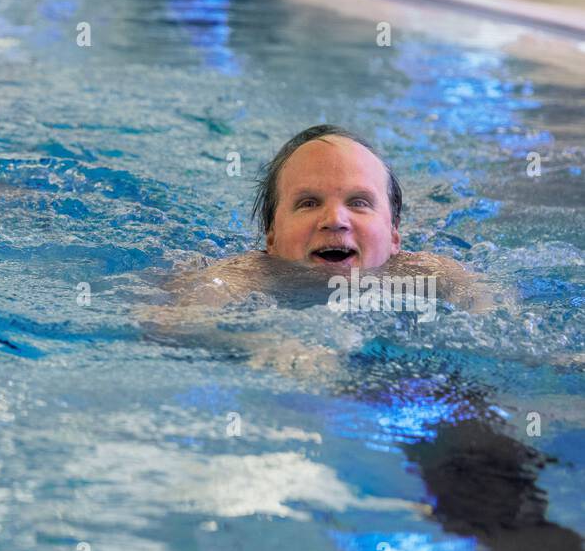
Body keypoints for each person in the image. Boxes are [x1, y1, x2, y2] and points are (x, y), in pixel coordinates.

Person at [142, 124, 497, 375]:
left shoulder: (425, 273)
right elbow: (170, 323)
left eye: (359, 202)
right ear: (271, 236)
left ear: (393, 236)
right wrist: (263, 343)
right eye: (308, 202)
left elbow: (492, 313)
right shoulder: (245, 276)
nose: (335, 220)